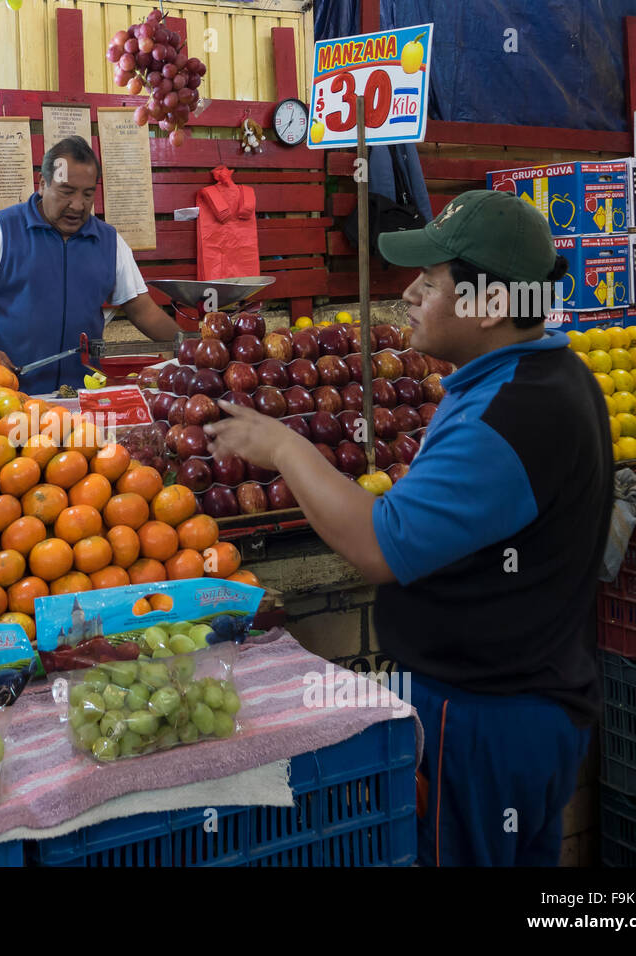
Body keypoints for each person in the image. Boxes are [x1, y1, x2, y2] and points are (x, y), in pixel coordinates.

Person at [206, 190, 612, 866]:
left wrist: (282, 448)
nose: (409, 294)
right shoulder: (540, 377)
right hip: (527, 704)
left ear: (488, 305)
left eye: (430, 281)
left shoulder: (513, 415)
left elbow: (379, 545)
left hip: (487, 716)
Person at [0, 135, 181, 394]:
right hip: (10, 396)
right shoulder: (2, 230)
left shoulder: (110, 241)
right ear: (43, 184)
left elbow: (142, 309)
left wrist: (194, 345)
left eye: (88, 194)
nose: (77, 205)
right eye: (66, 192)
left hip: (83, 395)